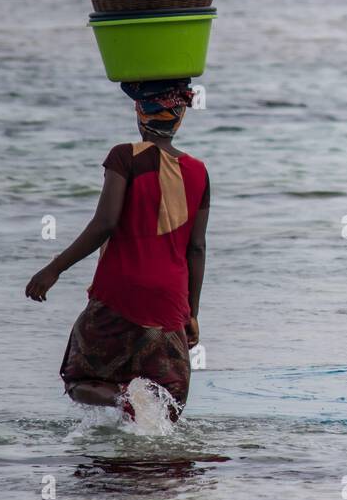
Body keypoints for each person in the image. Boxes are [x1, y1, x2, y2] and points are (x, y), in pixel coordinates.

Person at [25, 78, 209, 420]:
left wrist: (54, 268)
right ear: (180, 117)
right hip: (170, 305)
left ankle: (123, 398)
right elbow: (196, 249)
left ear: (140, 113)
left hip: (119, 297)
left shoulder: (124, 156)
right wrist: (192, 314)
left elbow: (104, 223)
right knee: (168, 403)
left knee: (80, 378)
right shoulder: (199, 171)